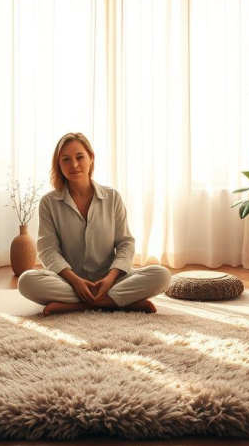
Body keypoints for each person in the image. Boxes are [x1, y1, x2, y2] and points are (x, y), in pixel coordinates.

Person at [18, 133, 171, 315]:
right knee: (26, 281)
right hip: (69, 281)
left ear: (91, 158)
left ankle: (79, 305)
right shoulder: (49, 203)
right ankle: (119, 302)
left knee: (162, 275)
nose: (74, 165)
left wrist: (110, 279)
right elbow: (48, 250)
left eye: (79, 157)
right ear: (59, 165)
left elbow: (125, 243)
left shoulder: (112, 197)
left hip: (112, 279)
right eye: (66, 159)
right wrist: (75, 282)